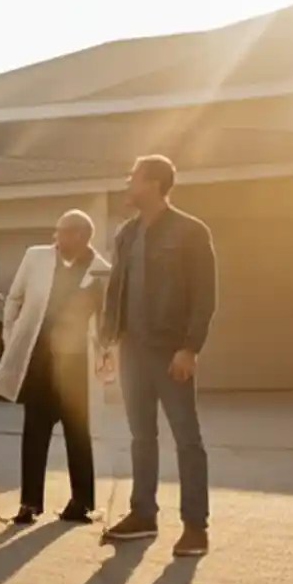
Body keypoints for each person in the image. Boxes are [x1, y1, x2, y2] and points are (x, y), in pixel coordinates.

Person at [99, 154, 216, 557]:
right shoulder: (126, 234)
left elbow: (204, 296)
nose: (128, 183)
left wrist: (190, 347)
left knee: (187, 439)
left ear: (153, 183)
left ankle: (195, 527)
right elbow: (115, 289)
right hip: (131, 348)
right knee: (141, 437)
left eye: (133, 177)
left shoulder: (190, 232)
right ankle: (142, 514)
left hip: (171, 350)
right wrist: (106, 340)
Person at [0, 209, 111, 525]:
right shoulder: (36, 257)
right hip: (39, 361)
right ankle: (29, 505)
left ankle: (82, 504)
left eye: (61, 232)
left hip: (76, 368)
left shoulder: (101, 271)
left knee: (78, 434)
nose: (55, 237)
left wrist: (106, 357)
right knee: (34, 431)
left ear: (79, 237)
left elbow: (106, 323)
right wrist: (12, 337)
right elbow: (14, 299)